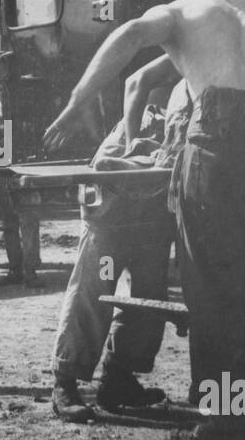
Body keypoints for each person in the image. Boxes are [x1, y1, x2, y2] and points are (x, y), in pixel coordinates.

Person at [44, 0, 245, 440]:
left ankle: (219, 427)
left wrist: (79, 99)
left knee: (211, 285)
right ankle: (244, 413)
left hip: (216, 143)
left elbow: (125, 36)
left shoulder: (182, 12)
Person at [47, 82, 186, 422]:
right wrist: (132, 148)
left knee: (148, 295)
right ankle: (65, 380)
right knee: (96, 285)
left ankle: (118, 377)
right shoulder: (178, 60)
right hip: (116, 201)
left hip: (154, 206)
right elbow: (137, 82)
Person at [0, 73, 40, 286]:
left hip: (25, 172)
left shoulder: (28, 116)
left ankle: (31, 269)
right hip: (3, 172)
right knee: (9, 221)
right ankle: (15, 268)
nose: (4, 92)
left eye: (7, 88)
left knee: (30, 220)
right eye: (0, 89)